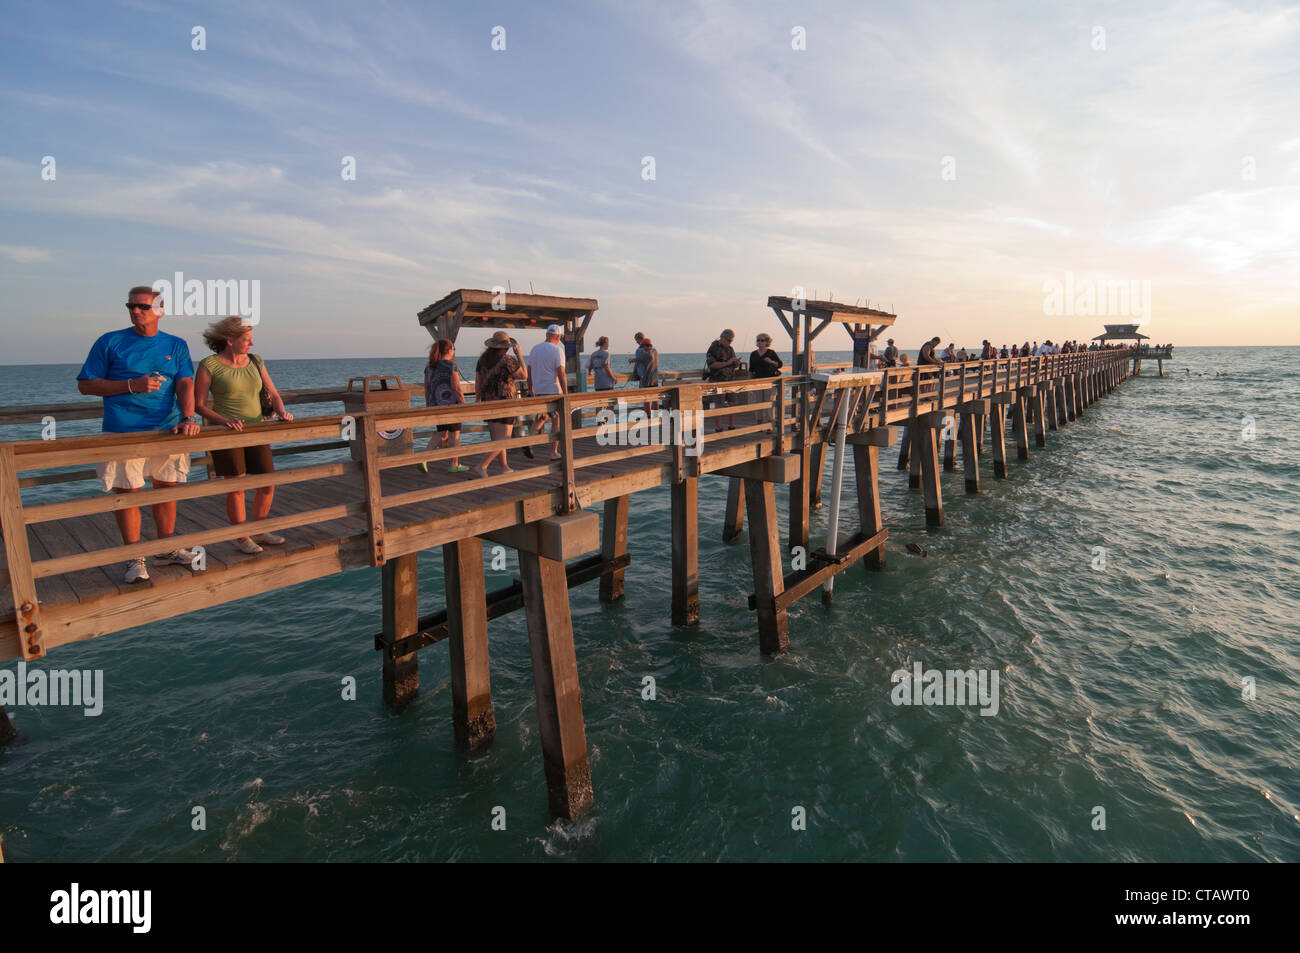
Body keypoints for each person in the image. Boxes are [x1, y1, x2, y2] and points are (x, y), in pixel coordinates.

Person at [76, 285, 204, 583]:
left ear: (159, 310)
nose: (136, 311)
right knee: (129, 495)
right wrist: (131, 385)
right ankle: (134, 559)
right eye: (131, 306)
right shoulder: (111, 342)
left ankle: (167, 548)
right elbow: (86, 384)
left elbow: (185, 383)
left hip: (168, 428)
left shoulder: (175, 344)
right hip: (124, 431)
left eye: (143, 307)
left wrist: (188, 417)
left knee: (167, 488)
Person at [194, 316, 294, 555]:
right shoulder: (210, 364)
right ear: (230, 340)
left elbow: (273, 393)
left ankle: (259, 530)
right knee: (236, 485)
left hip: (256, 429)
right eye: (246, 339)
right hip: (226, 432)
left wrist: (282, 412)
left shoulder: (255, 361)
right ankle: (241, 537)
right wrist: (223, 421)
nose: (251, 343)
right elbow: (198, 405)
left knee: (266, 483)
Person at [471, 331, 529, 478]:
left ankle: (504, 467)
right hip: (505, 402)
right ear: (506, 346)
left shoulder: (482, 360)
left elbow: (478, 382)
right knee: (505, 438)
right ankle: (481, 465)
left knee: (497, 438)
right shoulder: (507, 359)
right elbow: (524, 375)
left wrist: (478, 399)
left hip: (488, 401)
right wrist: (520, 355)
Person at [421, 337, 467, 474]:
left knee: (441, 433)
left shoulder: (429, 367)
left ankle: (423, 458)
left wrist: (429, 405)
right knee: (454, 434)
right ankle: (454, 464)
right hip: (451, 405)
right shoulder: (451, 365)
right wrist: (464, 404)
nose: (453, 351)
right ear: (449, 350)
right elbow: (456, 387)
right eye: (453, 349)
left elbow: (426, 388)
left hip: (436, 405)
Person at [528, 324, 567, 461]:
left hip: (539, 391)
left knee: (541, 417)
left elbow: (529, 371)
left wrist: (530, 388)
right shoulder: (557, 350)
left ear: (547, 335)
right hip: (553, 390)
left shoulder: (534, 349)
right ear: (558, 336)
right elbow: (561, 373)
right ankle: (553, 452)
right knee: (556, 420)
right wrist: (566, 394)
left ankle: (529, 442)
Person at [706, 328, 743, 432]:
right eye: (728, 340)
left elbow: (732, 363)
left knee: (733, 402)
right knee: (719, 404)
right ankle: (718, 427)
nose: (730, 342)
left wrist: (736, 363)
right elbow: (712, 365)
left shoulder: (730, 349)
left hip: (730, 379)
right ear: (722, 338)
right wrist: (728, 362)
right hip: (718, 380)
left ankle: (731, 425)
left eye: (731, 341)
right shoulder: (713, 348)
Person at [750, 333, 783, 423]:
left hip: (770, 381)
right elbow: (751, 370)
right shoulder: (753, 354)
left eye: (762, 340)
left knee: (769, 402)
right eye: (758, 340)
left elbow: (779, 364)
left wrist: (771, 361)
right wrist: (750, 383)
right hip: (757, 381)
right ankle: (759, 424)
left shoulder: (771, 353)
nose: (759, 342)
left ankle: (769, 425)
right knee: (758, 402)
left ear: (767, 342)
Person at [636, 336, 660, 414]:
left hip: (648, 381)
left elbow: (637, 360)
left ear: (647, 346)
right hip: (655, 380)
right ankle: (656, 416)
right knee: (655, 400)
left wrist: (630, 360)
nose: (643, 348)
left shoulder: (647, 354)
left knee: (646, 400)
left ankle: (648, 417)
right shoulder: (655, 352)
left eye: (643, 346)